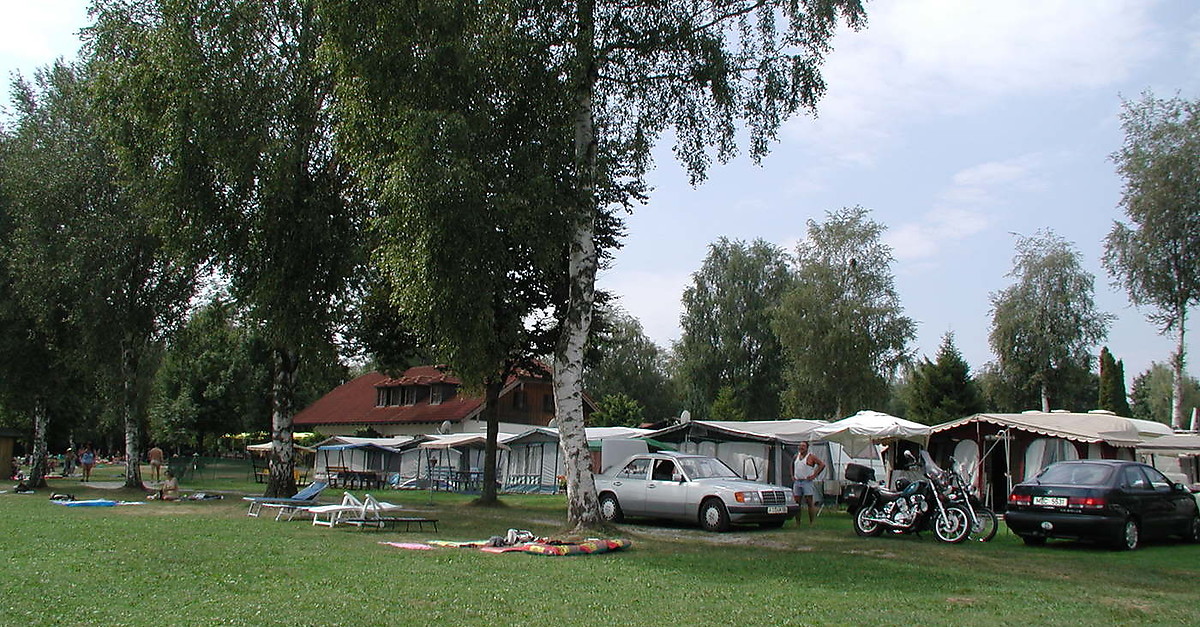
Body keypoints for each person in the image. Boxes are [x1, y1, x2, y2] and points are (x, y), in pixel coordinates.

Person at [792, 441, 826, 526]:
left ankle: (811, 522)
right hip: (797, 481)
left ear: (807, 448)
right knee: (797, 502)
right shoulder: (796, 456)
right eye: (800, 446)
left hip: (806, 481)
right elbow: (791, 465)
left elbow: (822, 464)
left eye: (803, 446)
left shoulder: (811, 457)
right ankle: (798, 522)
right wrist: (792, 475)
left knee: (809, 502)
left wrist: (814, 475)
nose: (801, 447)